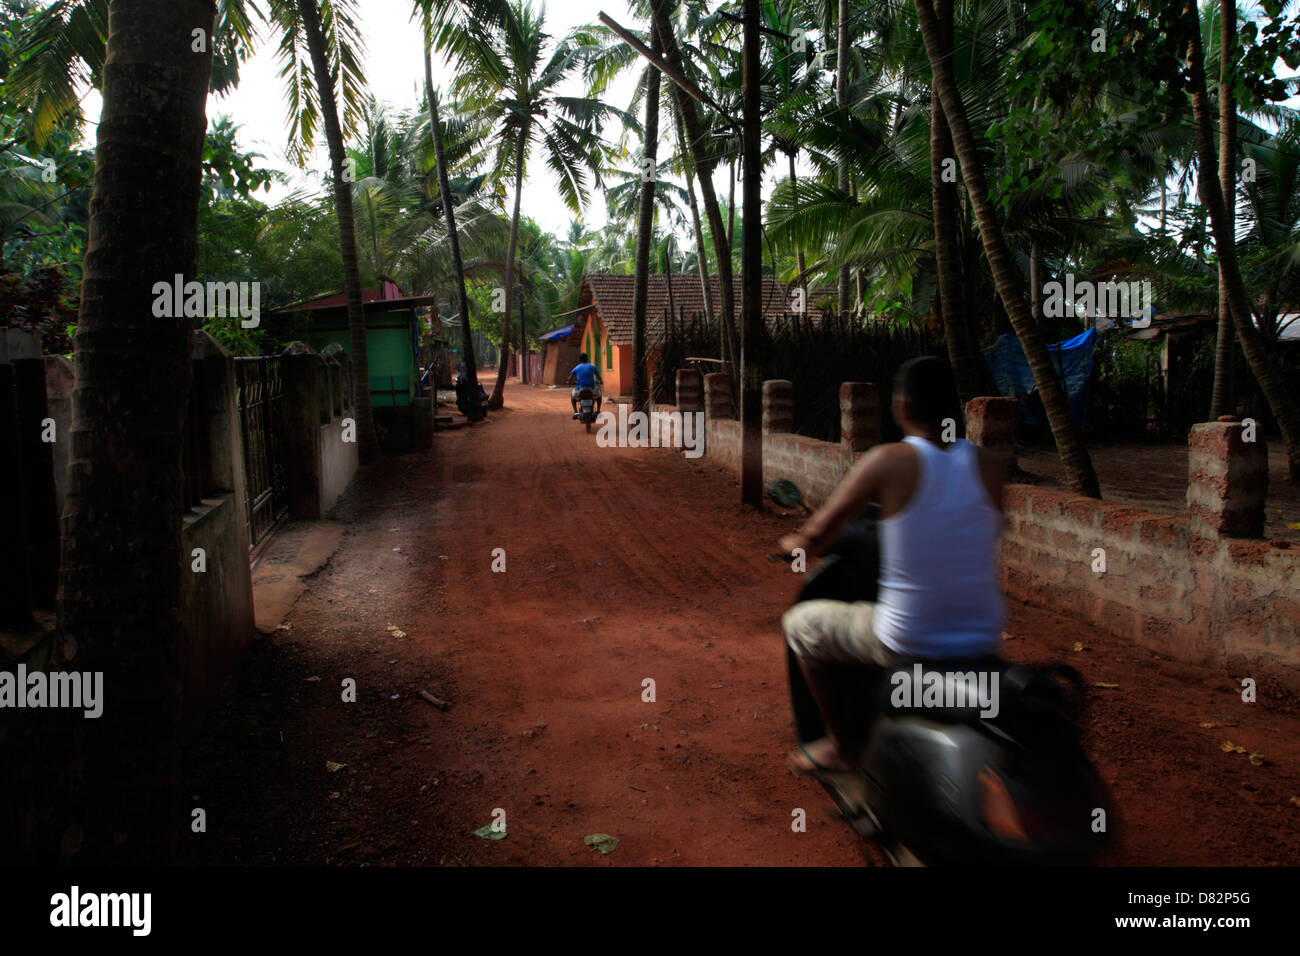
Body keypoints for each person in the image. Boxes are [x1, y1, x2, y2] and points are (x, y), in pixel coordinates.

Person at [779, 356, 1005, 775]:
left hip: (910, 639)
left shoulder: (887, 460)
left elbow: (817, 536)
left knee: (801, 625)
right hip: (983, 639)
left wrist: (794, 542)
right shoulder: (989, 466)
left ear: (902, 407)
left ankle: (843, 747)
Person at [566, 352, 603, 418]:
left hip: (581, 389)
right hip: (592, 388)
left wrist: (568, 382)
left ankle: (575, 411)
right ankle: (598, 410)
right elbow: (598, 376)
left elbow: (571, 376)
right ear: (587, 359)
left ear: (580, 360)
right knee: (599, 396)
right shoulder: (592, 366)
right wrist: (601, 381)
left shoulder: (577, 367)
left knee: (573, 396)